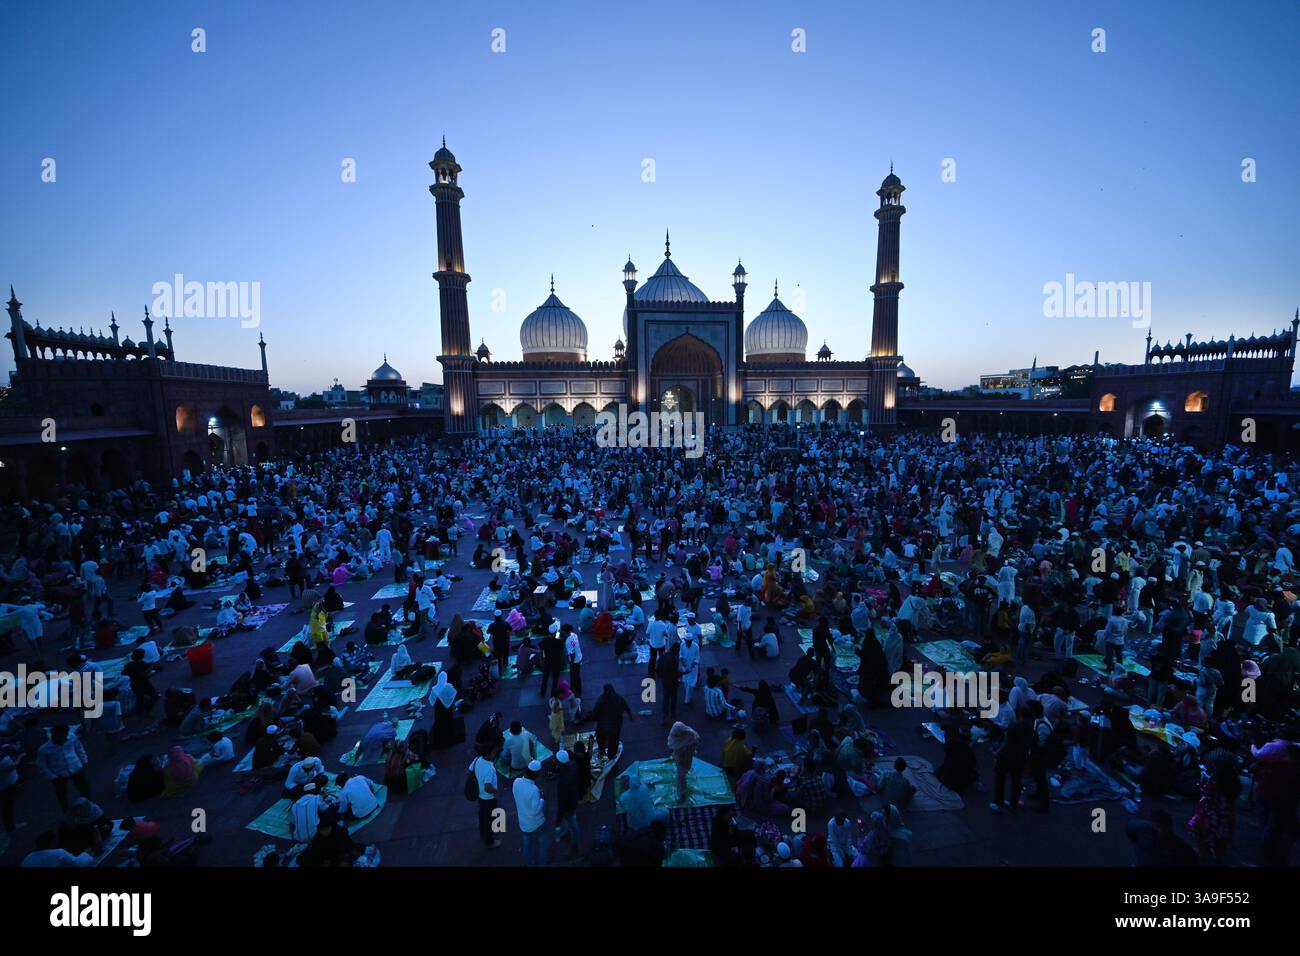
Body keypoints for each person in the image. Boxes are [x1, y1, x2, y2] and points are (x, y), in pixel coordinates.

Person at [35, 725, 91, 811]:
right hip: (59, 775)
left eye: (63, 737)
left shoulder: (72, 737)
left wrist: (84, 761)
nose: (62, 740)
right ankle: (66, 810)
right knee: (62, 793)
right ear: (53, 736)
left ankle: (89, 804)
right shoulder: (43, 749)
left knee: (84, 788)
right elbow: (42, 765)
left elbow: (79, 748)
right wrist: (53, 777)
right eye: (59, 737)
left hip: (76, 768)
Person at [1125, 808, 1198, 866]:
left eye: (1162, 827)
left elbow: (1130, 830)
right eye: (1158, 827)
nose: (1160, 831)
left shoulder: (1183, 849)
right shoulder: (1184, 850)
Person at [513, 760, 547, 866]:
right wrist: (542, 799)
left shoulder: (516, 781)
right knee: (542, 845)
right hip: (537, 824)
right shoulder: (534, 790)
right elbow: (536, 810)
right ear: (536, 774)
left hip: (523, 824)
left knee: (527, 847)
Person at [471, 743, 502, 849]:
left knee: (482, 815)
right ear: (489, 754)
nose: (495, 753)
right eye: (493, 752)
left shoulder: (478, 760)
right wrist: (496, 791)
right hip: (489, 798)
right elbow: (487, 787)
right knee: (489, 819)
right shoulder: (490, 768)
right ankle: (490, 842)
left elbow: (470, 771)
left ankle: (483, 834)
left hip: (480, 796)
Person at [591, 683, 633, 760]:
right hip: (615, 725)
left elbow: (594, 714)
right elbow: (626, 707)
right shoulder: (618, 698)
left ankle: (603, 750)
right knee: (614, 741)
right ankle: (611, 755)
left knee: (601, 738)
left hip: (604, 725)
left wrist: (598, 719)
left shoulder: (601, 701)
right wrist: (630, 715)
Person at [553, 749, 581, 857]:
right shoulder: (574, 765)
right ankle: (570, 833)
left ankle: (575, 847)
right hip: (574, 798)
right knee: (572, 820)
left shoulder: (562, 783)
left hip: (568, 805)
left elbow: (561, 803)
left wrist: (558, 820)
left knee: (573, 825)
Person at [428, 672, 465, 749]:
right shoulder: (448, 686)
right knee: (448, 723)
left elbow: (431, 701)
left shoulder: (434, 688)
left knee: (440, 724)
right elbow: (454, 694)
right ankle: (448, 737)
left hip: (438, 710)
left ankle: (441, 739)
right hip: (447, 710)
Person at [667, 720, 699, 805]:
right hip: (679, 755)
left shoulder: (690, 734)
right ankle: (682, 793)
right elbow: (672, 744)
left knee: (684, 770)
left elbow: (696, 741)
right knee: (681, 774)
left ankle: (682, 792)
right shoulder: (675, 736)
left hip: (686, 754)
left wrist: (689, 748)